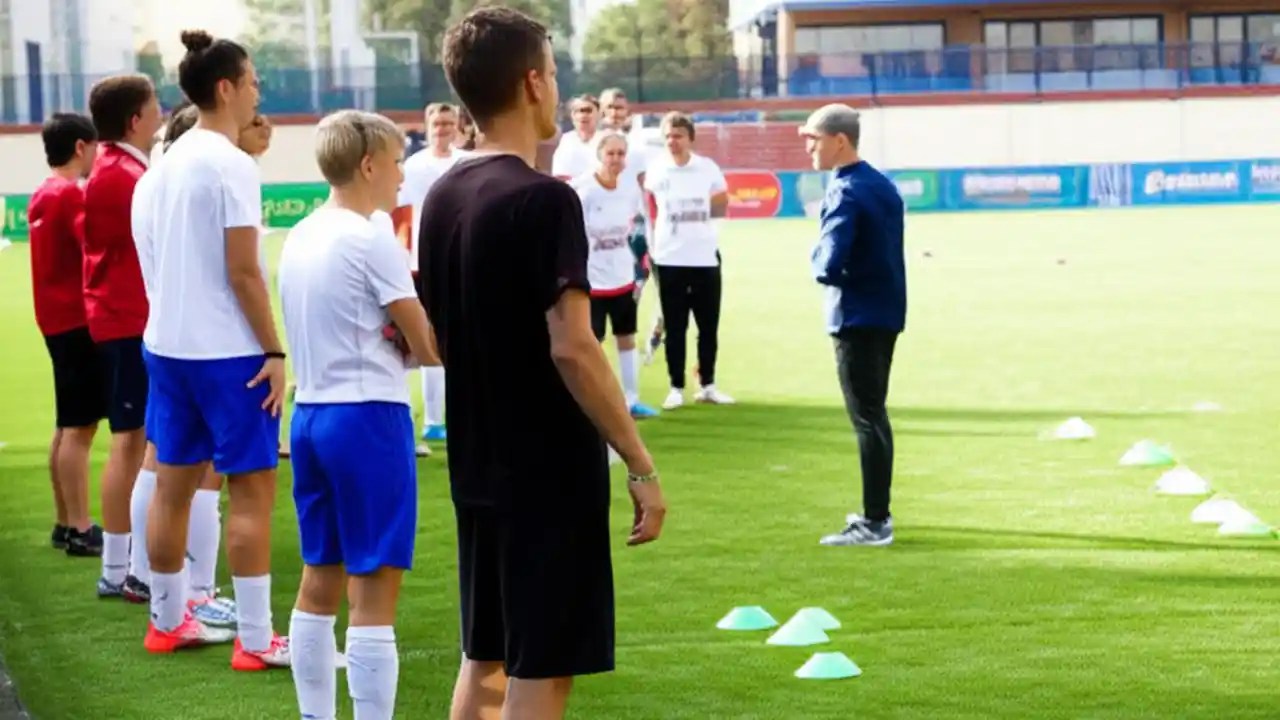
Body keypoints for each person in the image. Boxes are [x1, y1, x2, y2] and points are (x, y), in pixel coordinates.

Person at [422, 8, 666, 718]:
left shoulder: (442, 195)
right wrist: (640, 463)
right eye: (554, 75)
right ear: (532, 83)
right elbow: (573, 344)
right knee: (541, 667)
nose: (558, 90)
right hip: (546, 473)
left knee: (487, 656)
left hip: (477, 464)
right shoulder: (545, 199)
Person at [134, 30, 289, 669]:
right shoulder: (230, 163)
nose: (258, 92)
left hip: (166, 346)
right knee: (252, 490)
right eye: (252, 80)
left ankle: (167, 621)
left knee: (173, 483)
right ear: (225, 88)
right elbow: (244, 271)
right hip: (225, 354)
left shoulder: (162, 164)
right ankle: (255, 640)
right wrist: (275, 352)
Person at [281, 109, 439, 720]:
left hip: (313, 414)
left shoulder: (302, 232)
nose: (402, 175)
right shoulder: (371, 233)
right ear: (369, 164)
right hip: (368, 416)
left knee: (319, 574)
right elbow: (426, 345)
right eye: (398, 161)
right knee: (374, 587)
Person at [128, 101, 240, 628]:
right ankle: (189, 592)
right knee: (197, 473)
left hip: (166, 338)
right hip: (204, 345)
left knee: (165, 466)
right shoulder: (200, 177)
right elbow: (235, 272)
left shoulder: (154, 182)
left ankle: (157, 591)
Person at [800, 104, 906, 548]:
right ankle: (877, 512)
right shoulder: (882, 185)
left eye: (814, 139)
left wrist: (815, 259)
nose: (809, 147)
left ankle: (875, 521)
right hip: (885, 311)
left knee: (866, 419)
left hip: (855, 315)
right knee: (876, 416)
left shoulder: (844, 191)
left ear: (839, 140)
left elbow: (828, 264)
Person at [83, 74, 164, 599]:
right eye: (154, 106)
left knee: (133, 439)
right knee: (129, 439)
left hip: (124, 315)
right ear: (136, 119)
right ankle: (118, 568)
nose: (161, 113)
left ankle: (122, 564)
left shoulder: (120, 169)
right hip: (125, 318)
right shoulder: (119, 174)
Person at [29, 113, 104, 558]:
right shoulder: (71, 197)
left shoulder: (43, 192)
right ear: (81, 147)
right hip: (78, 320)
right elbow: (93, 252)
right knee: (80, 427)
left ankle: (64, 520)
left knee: (67, 425)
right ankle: (80, 525)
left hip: (55, 319)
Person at [644, 111, 734, 410]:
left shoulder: (707, 169)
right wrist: (655, 247)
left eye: (678, 135)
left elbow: (721, 204)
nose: (673, 141)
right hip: (670, 259)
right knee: (676, 326)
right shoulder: (657, 170)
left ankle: (707, 384)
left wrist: (708, 236)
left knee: (708, 326)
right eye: (668, 136)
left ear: (690, 138)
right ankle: (675, 387)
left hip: (705, 259)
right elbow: (651, 211)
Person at [568, 131, 658, 419]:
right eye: (611, 153)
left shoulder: (630, 188)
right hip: (592, 283)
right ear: (600, 155)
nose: (617, 159)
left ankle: (630, 400)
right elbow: (572, 236)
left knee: (627, 337)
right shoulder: (583, 190)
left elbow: (633, 230)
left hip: (622, 278)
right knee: (591, 344)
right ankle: (593, 402)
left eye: (621, 153)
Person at [394, 102, 467, 452]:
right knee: (423, 338)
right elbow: (402, 217)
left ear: (457, 126)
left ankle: (453, 414)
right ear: (426, 126)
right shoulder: (414, 166)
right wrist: (401, 258)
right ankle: (432, 420)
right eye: (437, 123)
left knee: (459, 338)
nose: (442, 128)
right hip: (421, 263)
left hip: (460, 260)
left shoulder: (465, 163)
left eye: (448, 122)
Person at [550, 94, 599, 180]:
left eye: (588, 111)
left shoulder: (606, 140)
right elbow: (559, 173)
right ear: (572, 116)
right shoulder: (566, 140)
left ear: (599, 114)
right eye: (578, 111)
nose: (583, 115)